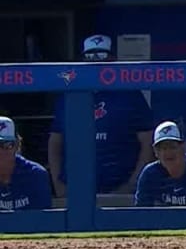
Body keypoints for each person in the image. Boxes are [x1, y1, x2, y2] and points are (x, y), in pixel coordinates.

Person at [48, 35, 154, 196]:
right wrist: (58, 184)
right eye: (89, 57)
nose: (95, 62)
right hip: (76, 191)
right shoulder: (69, 96)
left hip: (119, 190)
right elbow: (55, 143)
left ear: (113, 59)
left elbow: (147, 142)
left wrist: (132, 185)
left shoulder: (129, 94)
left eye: (102, 56)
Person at [134, 121, 186, 207]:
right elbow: (142, 214)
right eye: (163, 148)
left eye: (172, 147)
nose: (168, 152)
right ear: (155, 152)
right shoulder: (149, 175)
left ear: (184, 146)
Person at [0, 116, 51, 211]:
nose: (1, 152)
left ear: (17, 146)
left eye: (7, 145)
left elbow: (42, 221)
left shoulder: (36, 175)